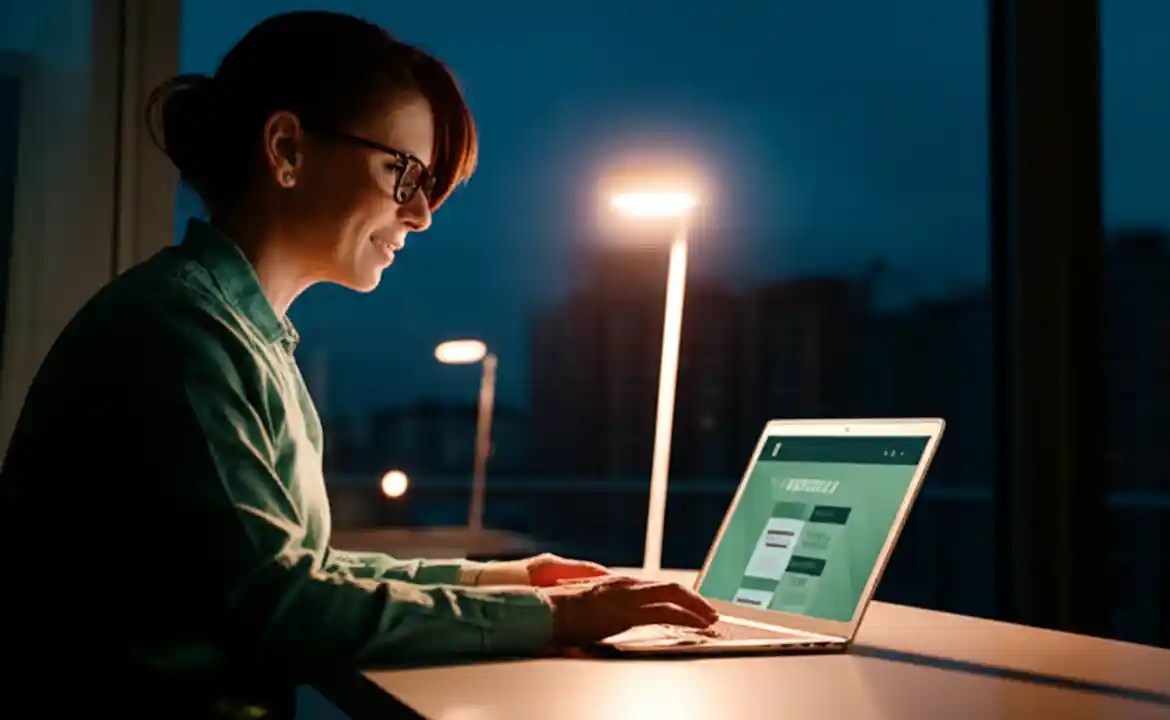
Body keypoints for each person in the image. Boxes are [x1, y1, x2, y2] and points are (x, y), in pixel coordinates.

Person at [0, 10, 716, 719]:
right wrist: (560, 619)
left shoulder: (233, 329)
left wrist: (509, 580)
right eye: (404, 174)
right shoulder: (179, 334)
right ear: (286, 149)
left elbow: (293, 571)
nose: (422, 215)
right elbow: (284, 602)